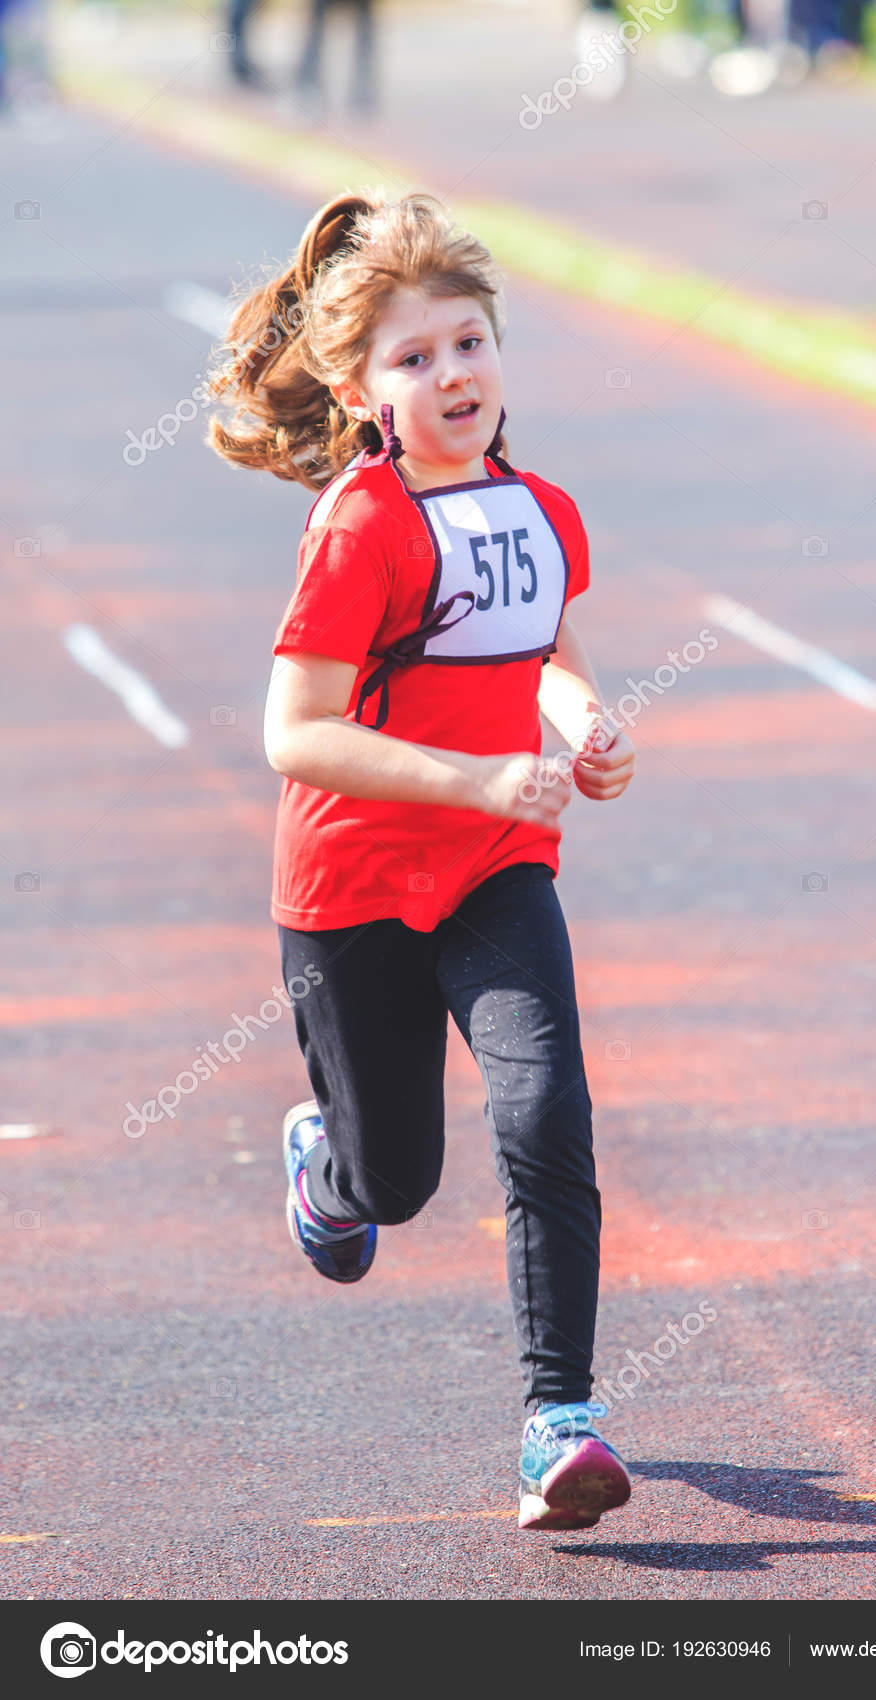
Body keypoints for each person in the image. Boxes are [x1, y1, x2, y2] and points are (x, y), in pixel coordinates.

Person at [204, 191, 636, 1531]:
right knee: (397, 1184)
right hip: (351, 890)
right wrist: (473, 771)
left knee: (545, 1111)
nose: (451, 374)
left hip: (500, 865)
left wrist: (586, 725)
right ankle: (326, 1160)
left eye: (469, 343)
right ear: (361, 388)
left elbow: (545, 659)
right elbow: (297, 732)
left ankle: (557, 1422)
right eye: (414, 357)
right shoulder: (361, 526)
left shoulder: (541, 510)